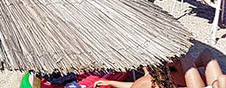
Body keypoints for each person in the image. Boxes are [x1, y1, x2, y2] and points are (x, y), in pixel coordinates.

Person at [95, 49, 226, 88]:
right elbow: (136, 86)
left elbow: (134, 86)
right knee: (222, 79)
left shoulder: (151, 79)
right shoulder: (151, 81)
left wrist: (111, 82)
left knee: (221, 78)